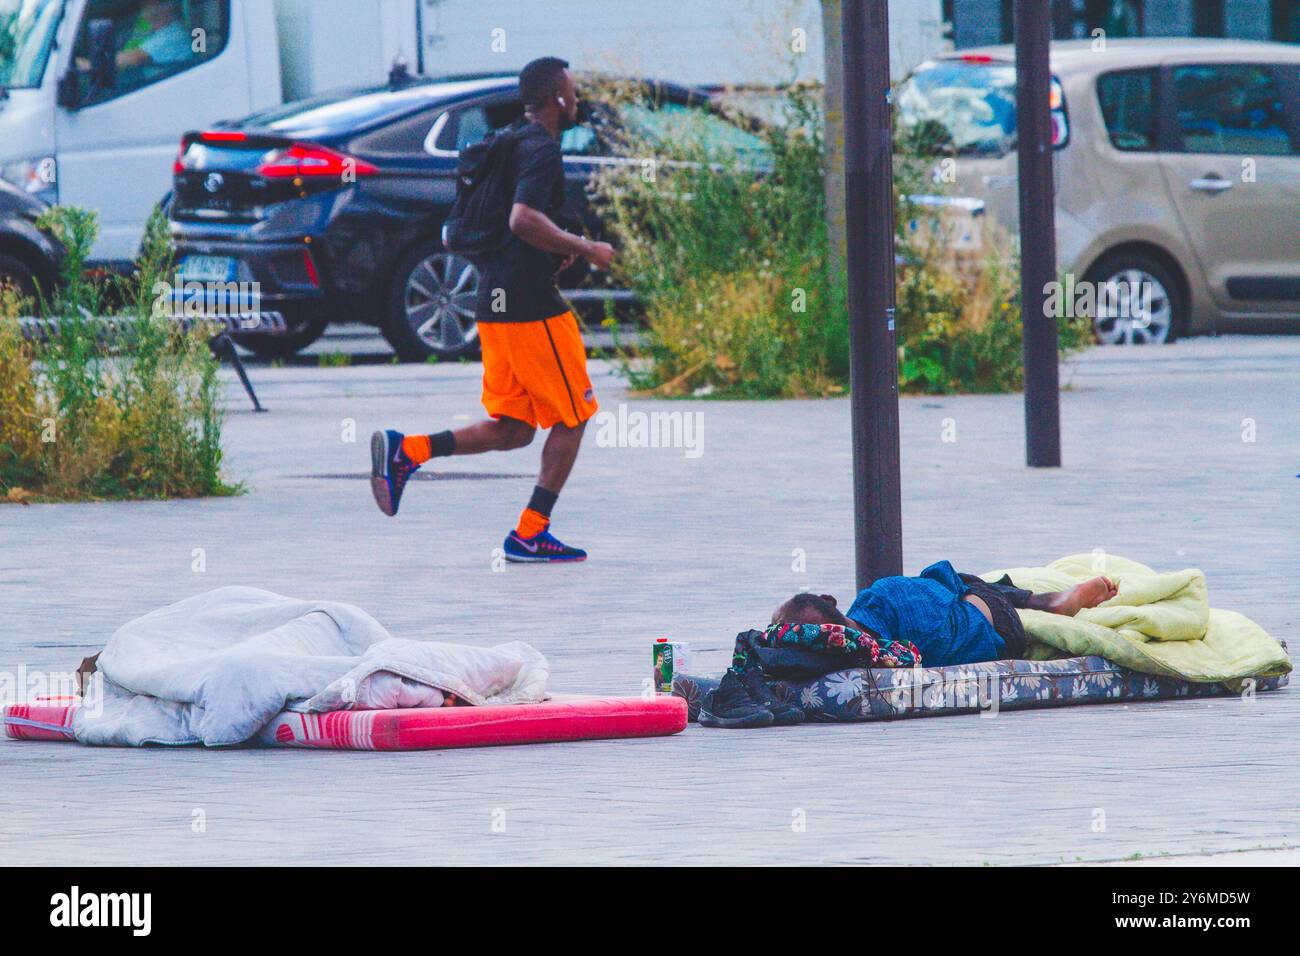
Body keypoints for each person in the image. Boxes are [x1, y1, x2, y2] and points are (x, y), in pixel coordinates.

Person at [370, 57, 615, 563]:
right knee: (574, 415)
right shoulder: (542, 149)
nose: (577, 97)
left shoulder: (509, 141)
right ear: (558, 98)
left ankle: (408, 450)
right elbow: (523, 219)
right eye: (572, 89)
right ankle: (531, 532)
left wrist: (558, 244)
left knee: (515, 428)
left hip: (494, 302)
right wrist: (586, 247)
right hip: (531, 307)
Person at [700, 561, 1118, 728]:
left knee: (953, 587)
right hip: (995, 621)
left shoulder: (847, 656)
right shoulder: (882, 597)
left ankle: (1037, 598)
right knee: (957, 579)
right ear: (831, 602)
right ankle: (1043, 601)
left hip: (991, 635)